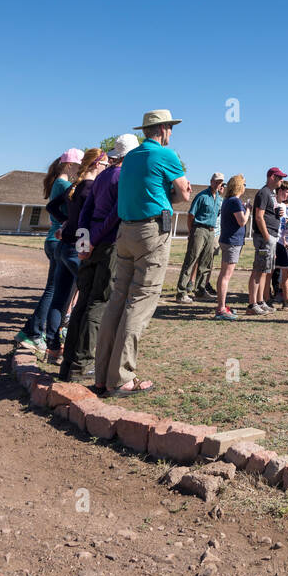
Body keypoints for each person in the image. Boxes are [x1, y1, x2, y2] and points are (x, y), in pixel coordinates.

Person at [95, 109, 191, 395]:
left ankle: (102, 374)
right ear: (162, 130)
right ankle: (122, 377)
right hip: (151, 232)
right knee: (141, 301)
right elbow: (184, 194)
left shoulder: (132, 157)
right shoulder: (166, 155)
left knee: (117, 300)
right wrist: (169, 194)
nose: (171, 133)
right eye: (170, 128)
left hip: (125, 232)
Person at [59, 134, 140, 382]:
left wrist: (84, 240)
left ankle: (68, 363)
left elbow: (85, 211)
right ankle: (81, 365)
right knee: (98, 302)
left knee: (83, 300)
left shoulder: (103, 176)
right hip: (107, 243)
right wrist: (94, 238)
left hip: (90, 243)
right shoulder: (123, 177)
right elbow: (115, 215)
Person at [44, 148, 108, 362]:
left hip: (63, 246)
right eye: (106, 165)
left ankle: (53, 347)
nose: (106, 169)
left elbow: (51, 206)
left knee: (59, 299)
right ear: (96, 164)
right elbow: (90, 221)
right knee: (89, 299)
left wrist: (65, 221)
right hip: (76, 249)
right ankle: (79, 350)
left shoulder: (74, 186)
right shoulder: (91, 188)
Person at [15, 150, 82, 355]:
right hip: (58, 239)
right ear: (69, 165)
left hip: (53, 239)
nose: (80, 170)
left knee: (54, 289)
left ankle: (34, 331)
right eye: (79, 166)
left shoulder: (56, 183)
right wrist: (68, 221)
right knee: (54, 291)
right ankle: (34, 332)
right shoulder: (63, 184)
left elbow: (51, 207)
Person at [175, 173, 224, 303]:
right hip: (199, 229)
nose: (218, 184)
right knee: (191, 260)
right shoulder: (202, 196)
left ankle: (200, 291)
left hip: (211, 231)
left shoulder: (219, 199)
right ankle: (181, 293)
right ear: (211, 181)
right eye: (216, 181)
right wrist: (192, 232)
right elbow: (191, 215)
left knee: (206, 262)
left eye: (220, 182)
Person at [248, 166, 287, 316]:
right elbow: (259, 216)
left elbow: (267, 214)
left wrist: (277, 213)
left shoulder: (270, 194)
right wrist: (266, 237)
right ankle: (252, 304)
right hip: (265, 238)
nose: (281, 181)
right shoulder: (264, 193)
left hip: (270, 236)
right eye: (279, 178)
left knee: (265, 271)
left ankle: (260, 301)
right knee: (258, 271)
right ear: (272, 177)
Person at [214, 174, 249, 320]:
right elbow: (242, 221)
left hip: (228, 240)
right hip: (232, 241)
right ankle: (221, 308)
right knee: (225, 276)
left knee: (224, 274)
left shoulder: (229, 200)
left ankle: (221, 306)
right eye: (244, 184)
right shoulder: (235, 201)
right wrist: (248, 210)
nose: (245, 187)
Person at [272, 178, 288, 310]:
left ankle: (286, 299)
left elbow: (283, 226)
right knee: (269, 271)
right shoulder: (274, 202)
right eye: (287, 192)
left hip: (281, 241)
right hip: (273, 241)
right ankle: (265, 298)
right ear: (280, 191)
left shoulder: (284, 206)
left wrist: (285, 239)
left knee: (286, 269)